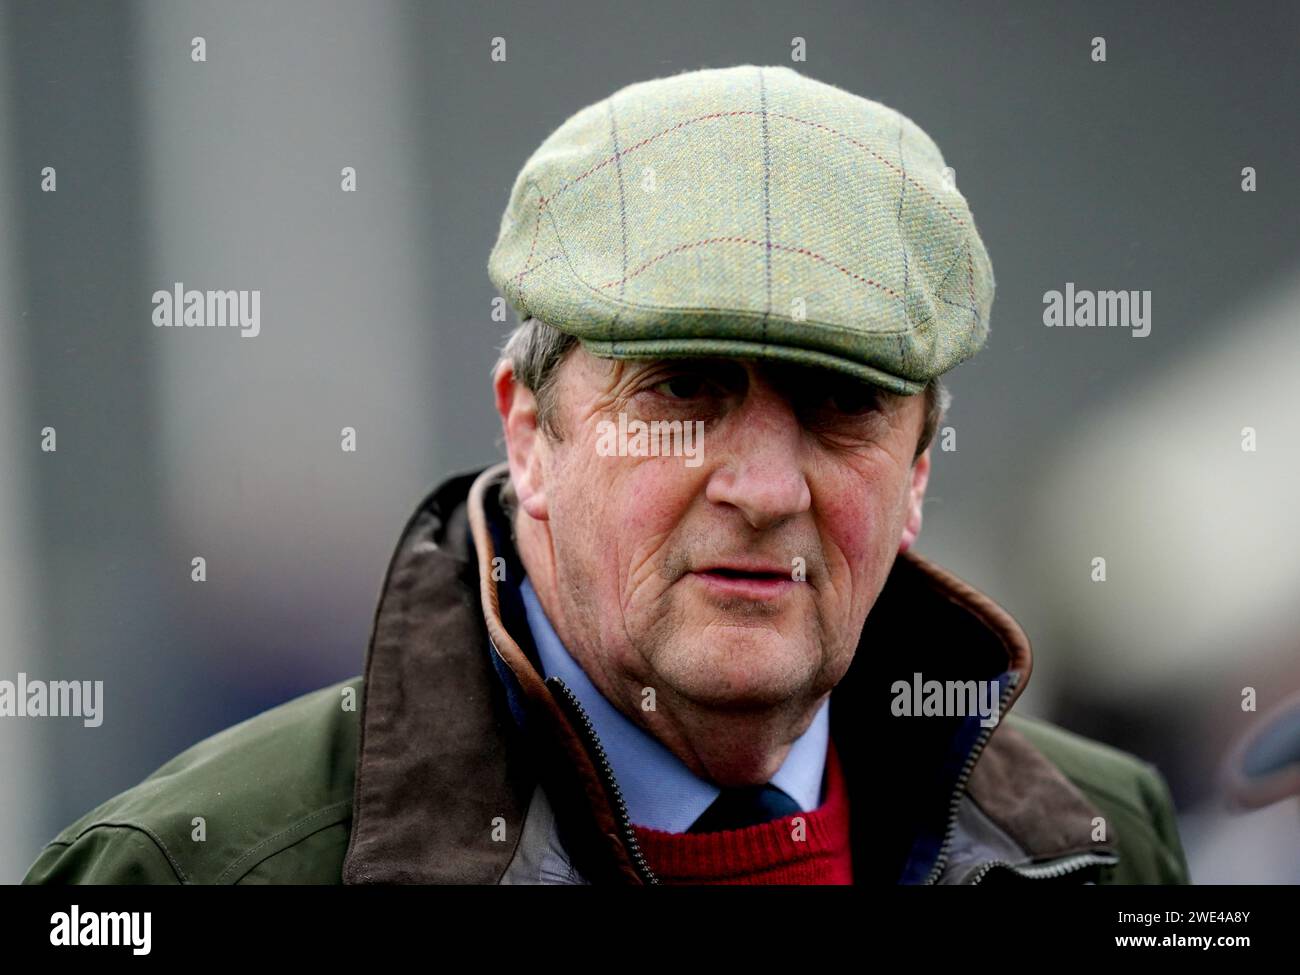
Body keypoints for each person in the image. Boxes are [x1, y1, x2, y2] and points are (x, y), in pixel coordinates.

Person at [23, 64, 1189, 885]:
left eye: (843, 410)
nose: (765, 486)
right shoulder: (188, 871)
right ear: (530, 433)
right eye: (682, 393)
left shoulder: (1095, 844)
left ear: (919, 468)